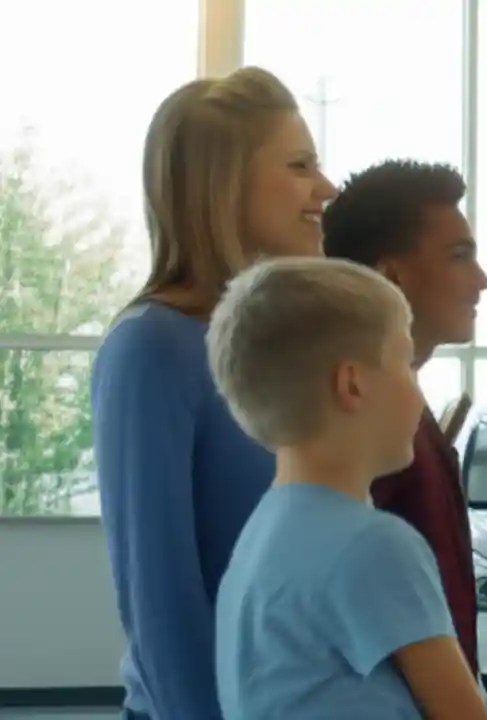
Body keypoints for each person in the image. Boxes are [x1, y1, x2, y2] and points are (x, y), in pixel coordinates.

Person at [90, 67, 336, 719]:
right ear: (224, 185)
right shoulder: (152, 348)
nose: (327, 187)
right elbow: (159, 600)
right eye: (300, 165)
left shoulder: (275, 347)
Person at [208, 256, 487, 719]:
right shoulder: (374, 544)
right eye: (407, 365)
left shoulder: (260, 537)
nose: (417, 393)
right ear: (353, 384)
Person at [321, 160, 487, 678]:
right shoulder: (360, 426)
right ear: (392, 276)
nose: (481, 281)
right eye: (460, 257)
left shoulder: (404, 413)